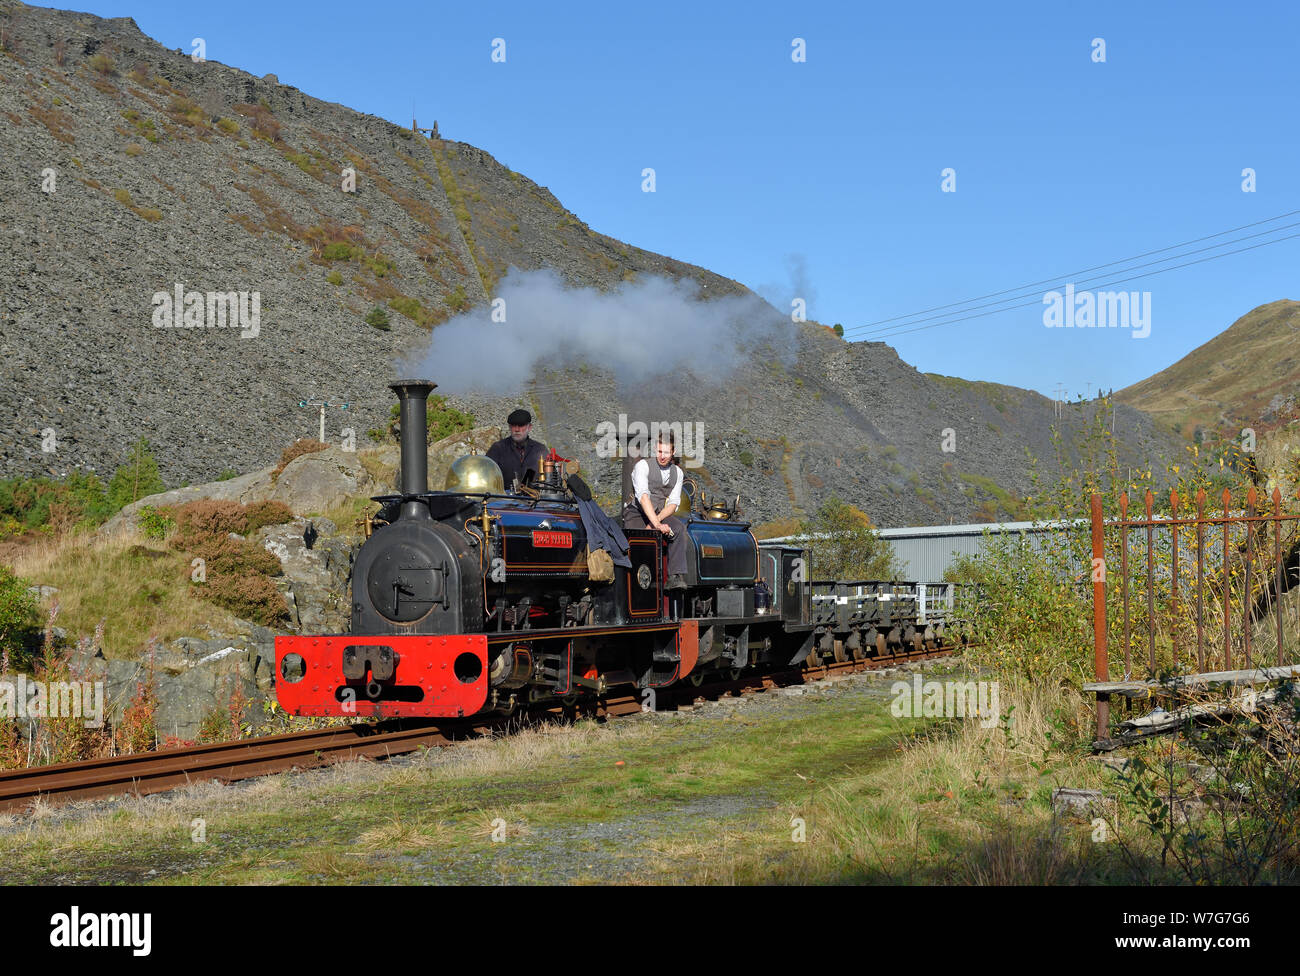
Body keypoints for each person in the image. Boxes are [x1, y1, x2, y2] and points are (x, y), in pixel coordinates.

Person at [623, 430, 688, 589]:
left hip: (659, 513)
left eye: (666, 452)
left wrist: (656, 522)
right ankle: (637, 581)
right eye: (659, 451)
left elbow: (673, 504)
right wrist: (656, 526)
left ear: (673, 452)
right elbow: (643, 497)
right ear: (655, 449)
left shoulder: (678, 473)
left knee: (679, 529)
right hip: (637, 513)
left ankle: (674, 577)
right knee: (640, 537)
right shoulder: (642, 466)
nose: (662, 456)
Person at [487, 408, 548, 490]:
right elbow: (486, 475)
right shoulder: (498, 449)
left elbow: (550, 479)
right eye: (513, 425)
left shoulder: (540, 450)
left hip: (534, 499)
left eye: (521, 425)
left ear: (529, 427)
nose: (517, 429)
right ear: (509, 427)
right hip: (504, 500)